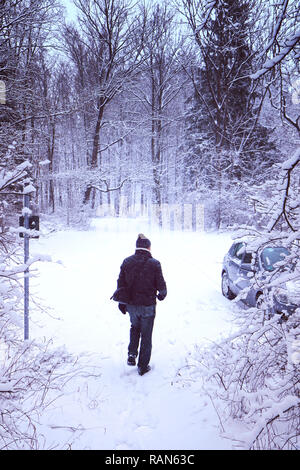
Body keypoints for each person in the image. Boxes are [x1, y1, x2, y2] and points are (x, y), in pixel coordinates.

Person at [116, 233, 167, 376]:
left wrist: (122, 302)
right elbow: (161, 284)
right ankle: (143, 366)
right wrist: (162, 294)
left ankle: (132, 354)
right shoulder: (155, 264)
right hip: (148, 306)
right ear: (149, 247)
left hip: (132, 305)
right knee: (146, 334)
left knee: (134, 327)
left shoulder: (127, 262)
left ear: (137, 247)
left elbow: (121, 283)